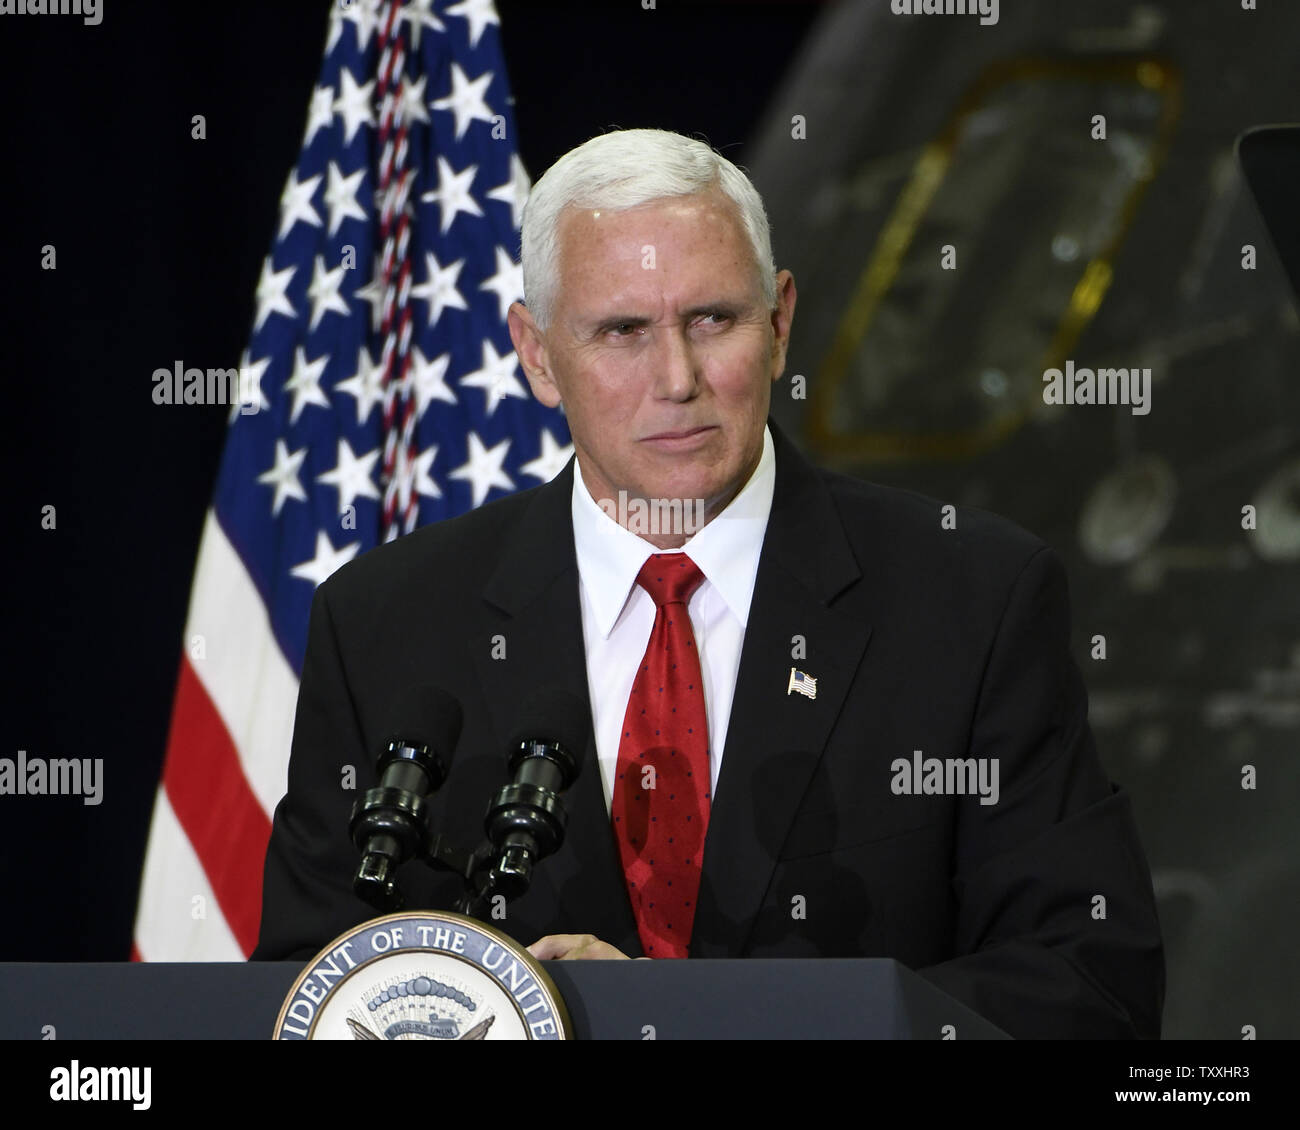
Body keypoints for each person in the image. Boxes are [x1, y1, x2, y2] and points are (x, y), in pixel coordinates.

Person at [252, 127, 1165, 1039]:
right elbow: (307, 991)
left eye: (712, 320)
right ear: (535, 354)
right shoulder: (387, 621)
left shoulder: (973, 598)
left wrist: (698, 1026)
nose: (677, 379)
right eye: (622, 331)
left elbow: (1085, 984)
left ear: (779, 323)